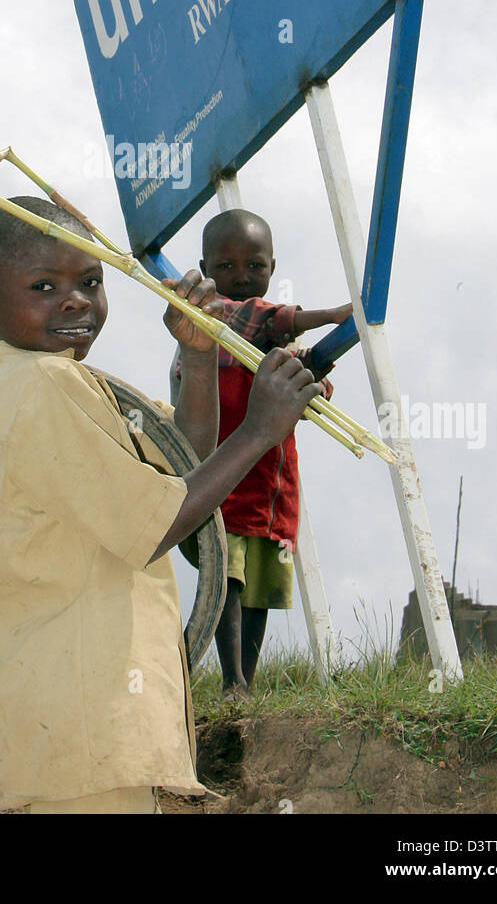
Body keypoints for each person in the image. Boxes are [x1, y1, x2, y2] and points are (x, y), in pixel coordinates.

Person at [0, 195, 321, 814]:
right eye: (44, 285)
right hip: (81, 724)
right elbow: (158, 525)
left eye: (90, 282)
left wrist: (199, 359)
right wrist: (258, 431)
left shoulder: (62, 380)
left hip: (80, 733)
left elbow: (179, 466)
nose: (75, 301)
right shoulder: (44, 386)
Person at [175, 208, 352, 697]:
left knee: (258, 588)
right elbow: (268, 317)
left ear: (273, 266)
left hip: (271, 486)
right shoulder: (211, 321)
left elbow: (301, 374)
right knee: (227, 578)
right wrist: (333, 317)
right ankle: (231, 680)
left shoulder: (274, 346)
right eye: (225, 266)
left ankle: (245, 683)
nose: (239, 278)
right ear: (205, 268)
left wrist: (313, 377)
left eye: (254, 266)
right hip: (221, 478)